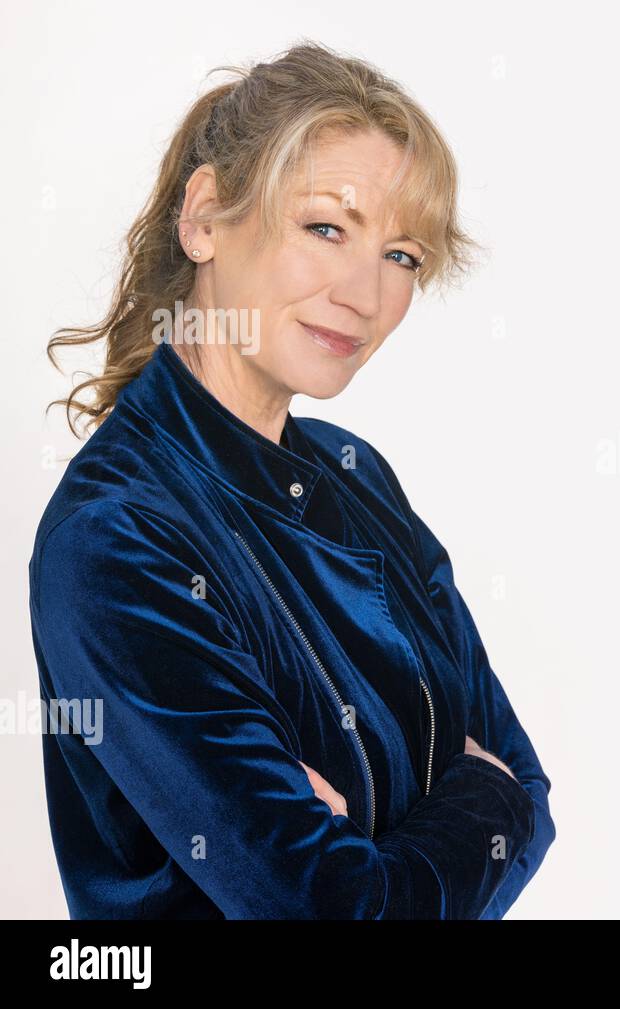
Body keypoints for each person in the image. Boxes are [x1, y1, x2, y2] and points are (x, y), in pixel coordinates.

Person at [28, 41, 555, 919]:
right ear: (204, 217)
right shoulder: (117, 535)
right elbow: (329, 908)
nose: (365, 292)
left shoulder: (361, 479)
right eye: (325, 228)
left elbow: (529, 785)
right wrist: (478, 795)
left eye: (403, 256)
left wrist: (453, 814)